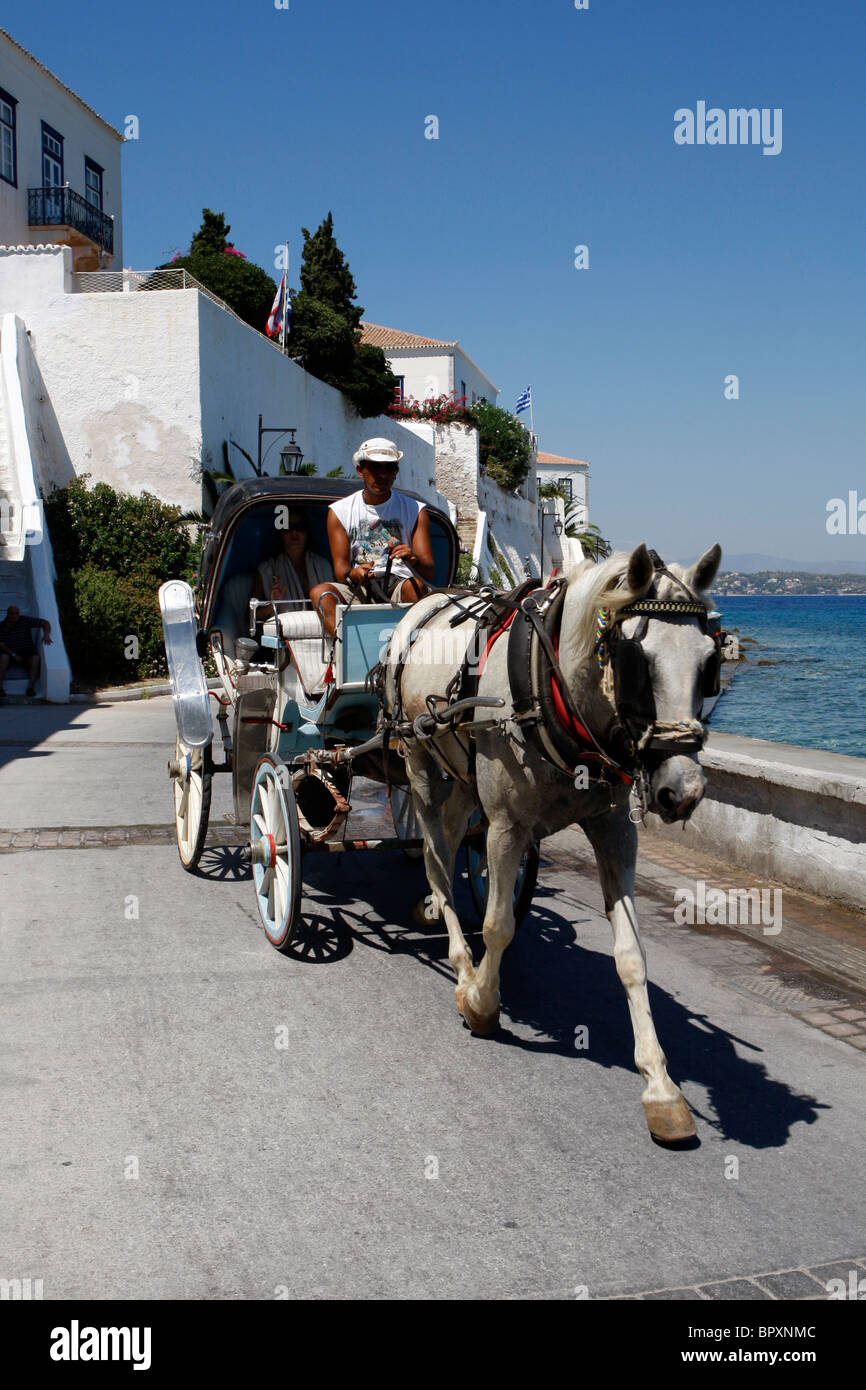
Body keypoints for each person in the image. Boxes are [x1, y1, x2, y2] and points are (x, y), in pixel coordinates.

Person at [310, 438, 435, 637]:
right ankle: (346, 649)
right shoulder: (339, 511)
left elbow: (428, 571)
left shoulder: (415, 510)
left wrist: (413, 559)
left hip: (399, 584)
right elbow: (340, 569)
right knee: (320, 594)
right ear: (361, 470)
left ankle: (408, 650)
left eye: (390, 468)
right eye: (375, 467)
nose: (383, 475)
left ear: (397, 471)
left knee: (415, 586)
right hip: (360, 587)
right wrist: (354, 573)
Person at [252, 508, 333, 605]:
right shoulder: (267, 570)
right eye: (287, 527)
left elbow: (337, 606)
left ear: (307, 532)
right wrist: (273, 605)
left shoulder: (324, 566)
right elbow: (251, 615)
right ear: (281, 533)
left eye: (300, 527)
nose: (294, 532)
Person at [0, 605, 52, 698]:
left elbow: (45, 622)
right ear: (7, 614)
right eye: (12, 614)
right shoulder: (1, 626)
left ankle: (30, 688)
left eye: (16, 613)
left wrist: (46, 635)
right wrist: (13, 654)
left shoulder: (25, 620)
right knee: (3, 658)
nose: (14, 616)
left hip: (27, 653)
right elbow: (1, 645)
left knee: (36, 658)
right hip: (10, 654)